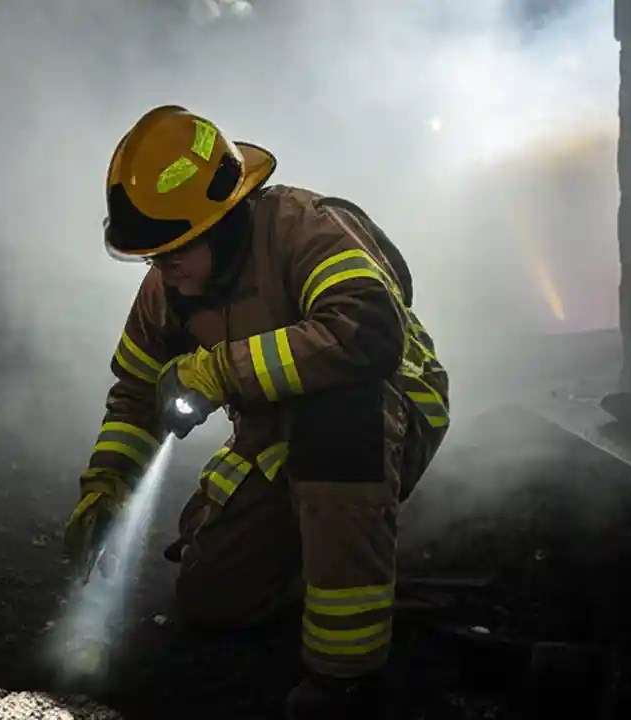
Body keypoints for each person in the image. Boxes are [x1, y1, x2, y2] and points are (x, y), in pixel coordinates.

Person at [63, 105, 450, 718]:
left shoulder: (303, 228)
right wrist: (108, 484)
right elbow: (136, 394)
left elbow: (369, 332)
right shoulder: (169, 286)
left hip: (384, 410)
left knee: (337, 422)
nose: (165, 269)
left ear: (224, 220)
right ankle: (328, 556)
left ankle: (346, 676)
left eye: (176, 250)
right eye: (155, 256)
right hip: (279, 431)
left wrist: (219, 371)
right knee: (213, 599)